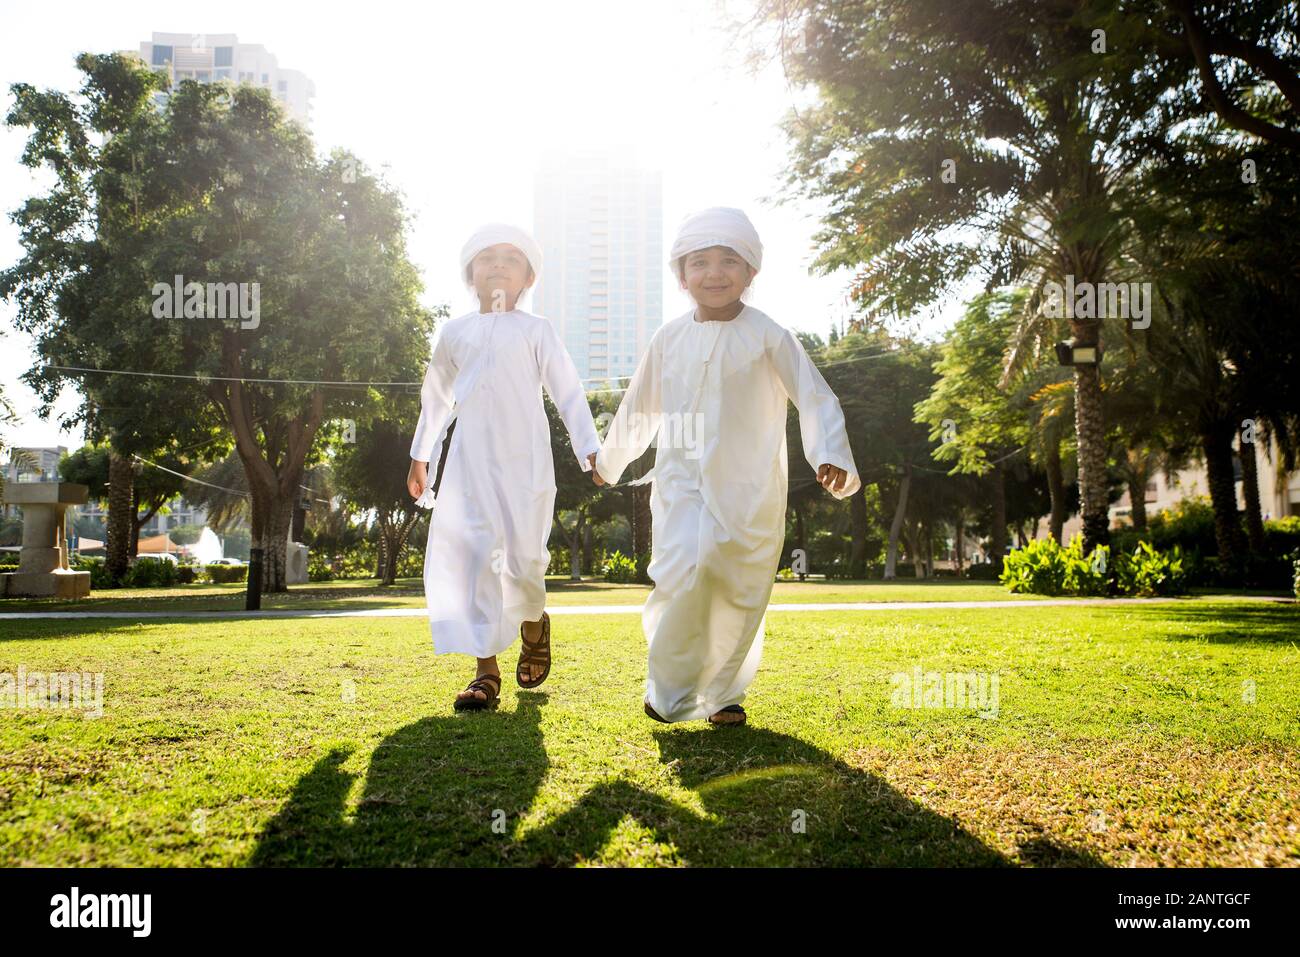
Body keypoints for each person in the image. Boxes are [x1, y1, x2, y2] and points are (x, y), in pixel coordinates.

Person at [589, 207, 861, 725]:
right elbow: (641, 407)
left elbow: (815, 396)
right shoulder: (667, 338)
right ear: (682, 274)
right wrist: (611, 461)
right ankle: (668, 687)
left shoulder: (769, 335)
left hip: (747, 488)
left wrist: (829, 455)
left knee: (732, 582)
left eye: (728, 261)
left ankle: (723, 694)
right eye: (700, 262)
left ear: (751, 272)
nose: (714, 273)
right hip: (679, 482)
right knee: (680, 576)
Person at [408, 223, 600, 711]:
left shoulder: (537, 330)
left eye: (510, 259)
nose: (497, 265)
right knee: (475, 560)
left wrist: (589, 448)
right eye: (486, 258)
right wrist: (421, 454)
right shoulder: (455, 333)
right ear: (470, 275)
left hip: (525, 464)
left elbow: (568, 390)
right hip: (469, 466)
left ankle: (534, 621)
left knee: (524, 559)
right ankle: (484, 671)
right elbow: (435, 399)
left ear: (528, 278)